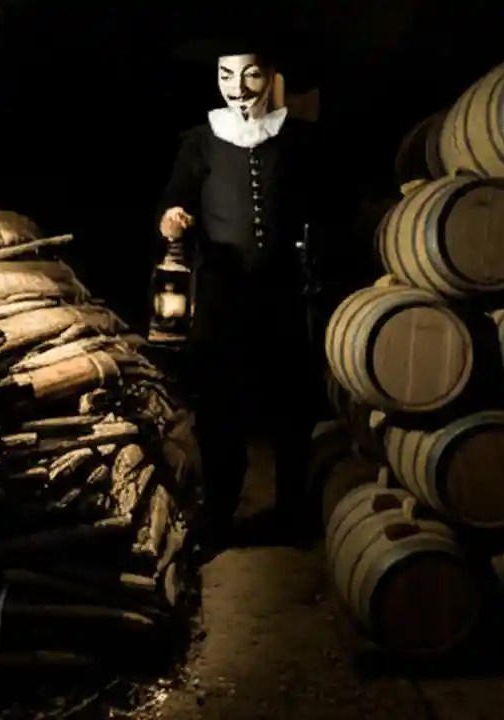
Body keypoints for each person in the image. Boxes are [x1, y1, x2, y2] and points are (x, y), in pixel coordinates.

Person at [156, 38, 325, 550]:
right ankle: (220, 517)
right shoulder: (200, 139)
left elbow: (321, 206)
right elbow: (174, 200)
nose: (237, 88)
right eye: (227, 76)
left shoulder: (296, 139)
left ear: (269, 75)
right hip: (222, 295)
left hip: (281, 294)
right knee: (220, 412)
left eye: (250, 75)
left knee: (290, 409)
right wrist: (172, 218)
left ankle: (292, 512)